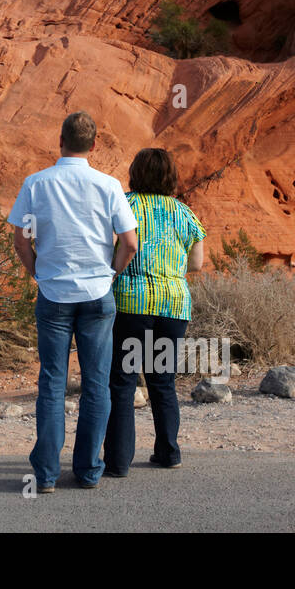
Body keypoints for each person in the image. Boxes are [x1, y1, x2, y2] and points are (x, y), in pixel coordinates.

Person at [8, 112, 138, 492]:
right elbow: (129, 242)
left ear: (59, 140)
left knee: (52, 383)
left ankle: (46, 474)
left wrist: (37, 273)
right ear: (95, 145)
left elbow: (21, 239)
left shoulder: (36, 184)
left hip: (53, 295)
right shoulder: (109, 185)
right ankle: (88, 471)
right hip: (97, 294)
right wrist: (111, 273)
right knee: (96, 384)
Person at [104, 147, 205, 476]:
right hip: (173, 306)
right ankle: (168, 452)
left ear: (135, 173)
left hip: (132, 305)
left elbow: (111, 247)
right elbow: (198, 263)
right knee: (162, 380)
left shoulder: (126, 205)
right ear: (170, 176)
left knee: (123, 382)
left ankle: (118, 462)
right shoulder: (185, 213)